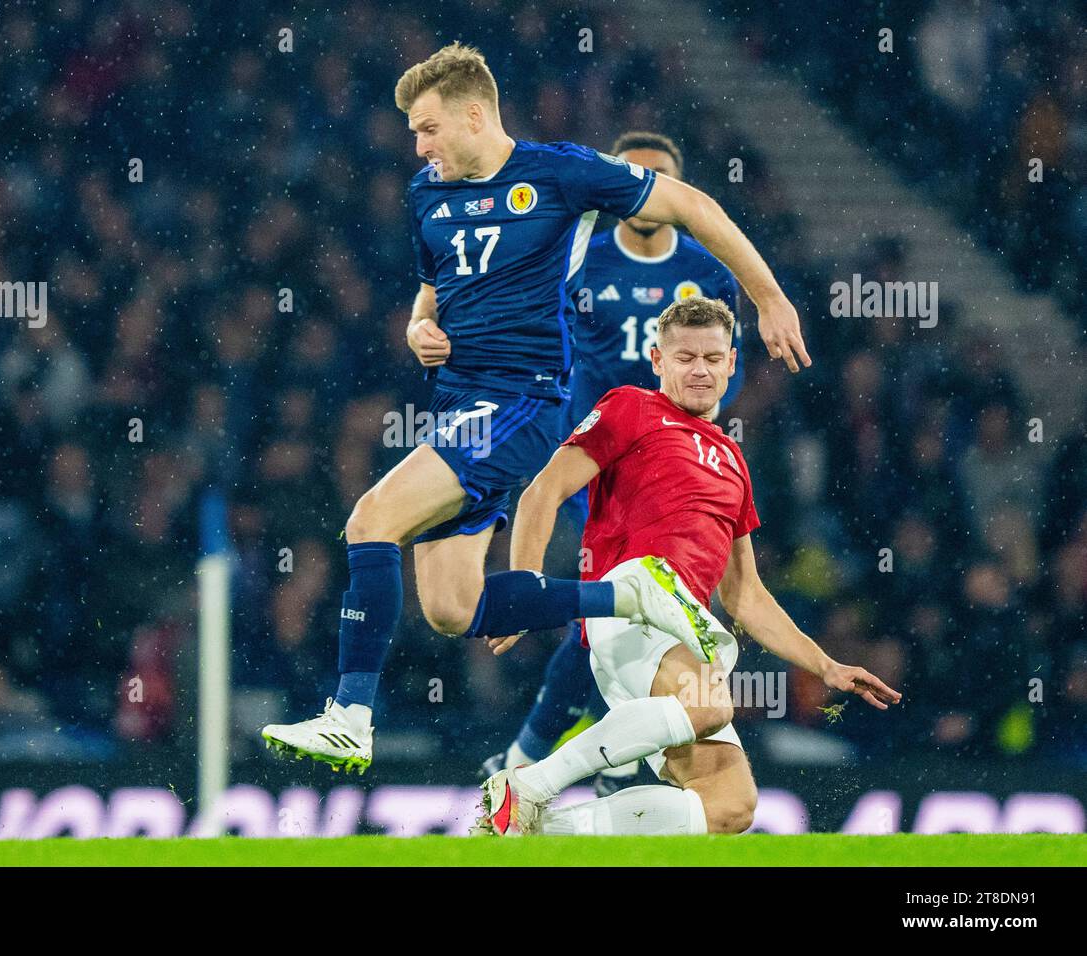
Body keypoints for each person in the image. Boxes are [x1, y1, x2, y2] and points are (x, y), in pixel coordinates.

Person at [261, 42, 808, 774]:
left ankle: (350, 715)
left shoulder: (560, 173)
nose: (418, 146)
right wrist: (417, 326)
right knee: (453, 610)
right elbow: (434, 289)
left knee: (370, 519)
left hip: (521, 400)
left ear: (475, 115)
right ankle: (632, 599)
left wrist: (770, 297)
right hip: (457, 405)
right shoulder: (428, 191)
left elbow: (693, 206)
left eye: (427, 128)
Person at [475, 296, 899, 835]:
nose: (698, 368)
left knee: (729, 806)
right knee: (709, 703)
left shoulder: (733, 462)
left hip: (683, 630)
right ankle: (528, 784)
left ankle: (534, 831)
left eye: (711, 357)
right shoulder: (631, 407)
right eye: (684, 356)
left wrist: (826, 666)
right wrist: (528, 590)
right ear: (658, 360)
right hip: (632, 596)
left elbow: (745, 595)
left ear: (730, 365)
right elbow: (542, 493)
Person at [484, 131, 744, 795]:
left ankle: (536, 759)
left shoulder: (708, 270)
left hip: (670, 467)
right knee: (622, 609)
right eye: (638, 176)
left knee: (621, 615)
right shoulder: (583, 259)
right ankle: (587, 764)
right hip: (595, 457)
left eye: (663, 178)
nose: (649, 190)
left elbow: (722, 369)